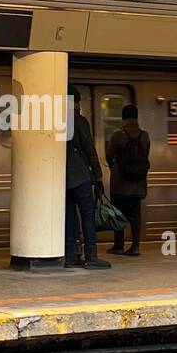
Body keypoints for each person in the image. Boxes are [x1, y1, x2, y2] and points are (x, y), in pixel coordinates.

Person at [65, 88, 109, 269]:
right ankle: (91, 256)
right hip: (81, 177)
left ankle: (70, 255)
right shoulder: (80, 121)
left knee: (68, 217)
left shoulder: (57, 121)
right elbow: (90, 150)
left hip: (63, 178)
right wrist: (98, 175)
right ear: (75, 102)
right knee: (87, 215)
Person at [106, 103, 150, 256]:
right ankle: (135, 246)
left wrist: (114, 167)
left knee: (118, 212)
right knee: (135, 214)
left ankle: (118, 245)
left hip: (120, 183)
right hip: (138, 183)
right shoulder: (145, 136)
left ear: (123, 117)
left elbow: (109, 155)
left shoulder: (118, 134)